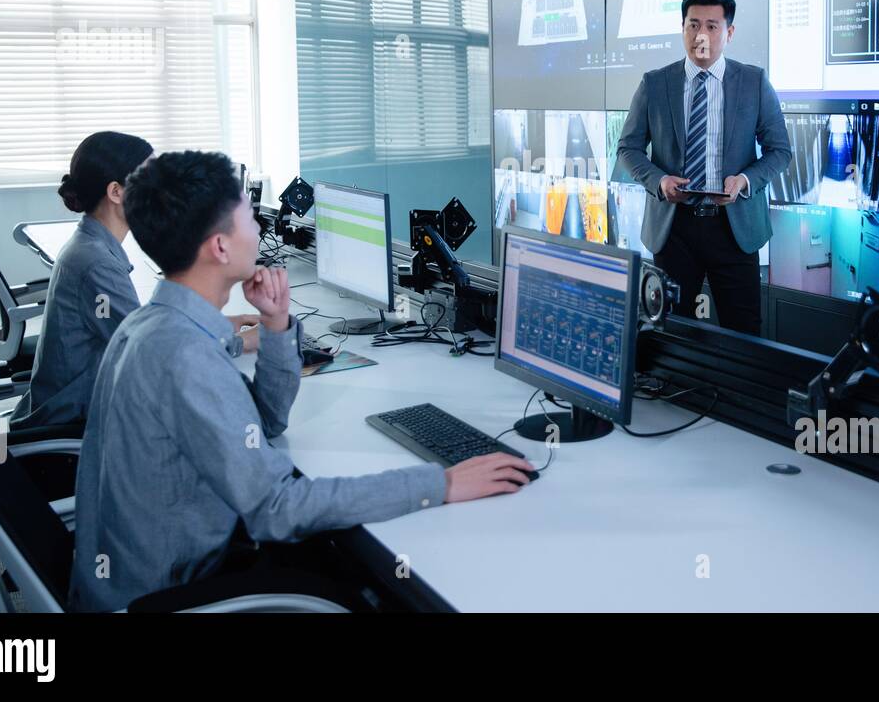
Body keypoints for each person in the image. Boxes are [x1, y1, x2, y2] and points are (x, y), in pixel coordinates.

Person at [69, 149, 533, 611]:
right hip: (169, 595)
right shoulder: (184, 355)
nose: (259, 227)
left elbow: (263, 424)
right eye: (250, 216)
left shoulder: (153, 324)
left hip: (143, 576)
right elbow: (277, 509)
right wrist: (440, 484)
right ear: (220, 247)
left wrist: (275, 327)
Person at [616, 0, 792, 335]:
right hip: (674, 227)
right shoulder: (655, 84)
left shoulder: (753, 82)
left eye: (712, 26)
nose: (702, 34)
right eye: (693, 24)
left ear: (729, 31)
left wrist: (744, 182)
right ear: (682, 28)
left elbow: (780, 151)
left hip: (734, 226)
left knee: (743, 330)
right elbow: (628, 148)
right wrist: (659, 182)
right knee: (670, 328)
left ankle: (737, 392)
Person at [12, 132, 158, 428]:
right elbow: (152, 350)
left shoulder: (91, 244)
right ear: (116, 192)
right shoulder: (96, 263)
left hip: (78, 397)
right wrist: (238, 341)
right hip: (74, 423)